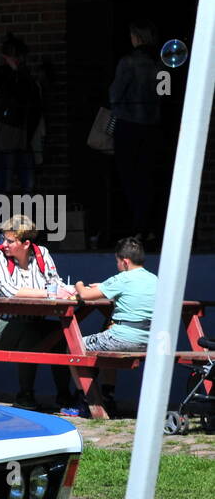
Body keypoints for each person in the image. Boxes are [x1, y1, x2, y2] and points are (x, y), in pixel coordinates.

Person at [0, 215, 79, 413]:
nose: (5, 244)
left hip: (31, 320)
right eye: (4, 239)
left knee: (60, 332)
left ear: (26, 243)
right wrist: (50, 293)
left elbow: (55, 281)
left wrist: (67, 290)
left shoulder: (42, 254)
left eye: (10, 241)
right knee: (30, 333)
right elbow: (9, 290)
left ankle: (64, 395)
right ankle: (25, 394)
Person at [110, 20, 163, 243]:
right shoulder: (159, 64)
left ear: (136, 37)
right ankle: (149, 226)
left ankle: (138, 226)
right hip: (152, 127)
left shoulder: (127, 62)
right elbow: (165, 94)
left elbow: (114, 95)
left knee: (129, 178)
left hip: (129, 127)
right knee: (148, 177)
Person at [74, 237, 157, 352]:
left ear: (125, 262)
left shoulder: (122, 278)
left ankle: (83, 371)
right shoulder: (154, 279)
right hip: (149, 341)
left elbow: (84, 294)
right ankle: (103, 371)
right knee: (105, 355)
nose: (117, 265)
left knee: (74, 346)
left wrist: (78, 284)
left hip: (122, 338)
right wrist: (104, 287)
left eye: (117, 261)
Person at [0, 32, 41, 195]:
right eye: (16, 56)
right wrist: (17, 71)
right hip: (7, 130)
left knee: (28, 184)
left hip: (23, 133)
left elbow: (31, 97)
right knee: (5, 185)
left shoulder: (25, 76)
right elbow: (12, 95)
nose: (19, 60)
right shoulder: (2, 74)